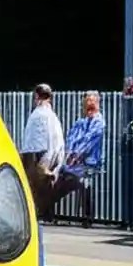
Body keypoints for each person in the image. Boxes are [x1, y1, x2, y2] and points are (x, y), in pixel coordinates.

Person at [49, 92, 105, 225]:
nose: (89, 106)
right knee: (56, 177)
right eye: (87, 103)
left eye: (92, 102)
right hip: (75, 162)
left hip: (90, 162)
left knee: (84, 183)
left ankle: (88, 217)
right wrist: (70, 154)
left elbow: (89, 142)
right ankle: (49, 211)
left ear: (98, 104)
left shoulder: (99, 123)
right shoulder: (80, 122)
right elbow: (70, 138)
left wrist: (75, 156)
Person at [19, 83, 65, 215]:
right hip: (52, 160)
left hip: (39, 161)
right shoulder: (53, 117)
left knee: (33, 195)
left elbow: (33, 144)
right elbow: (59, 142)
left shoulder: (37, 115)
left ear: (37, 96)